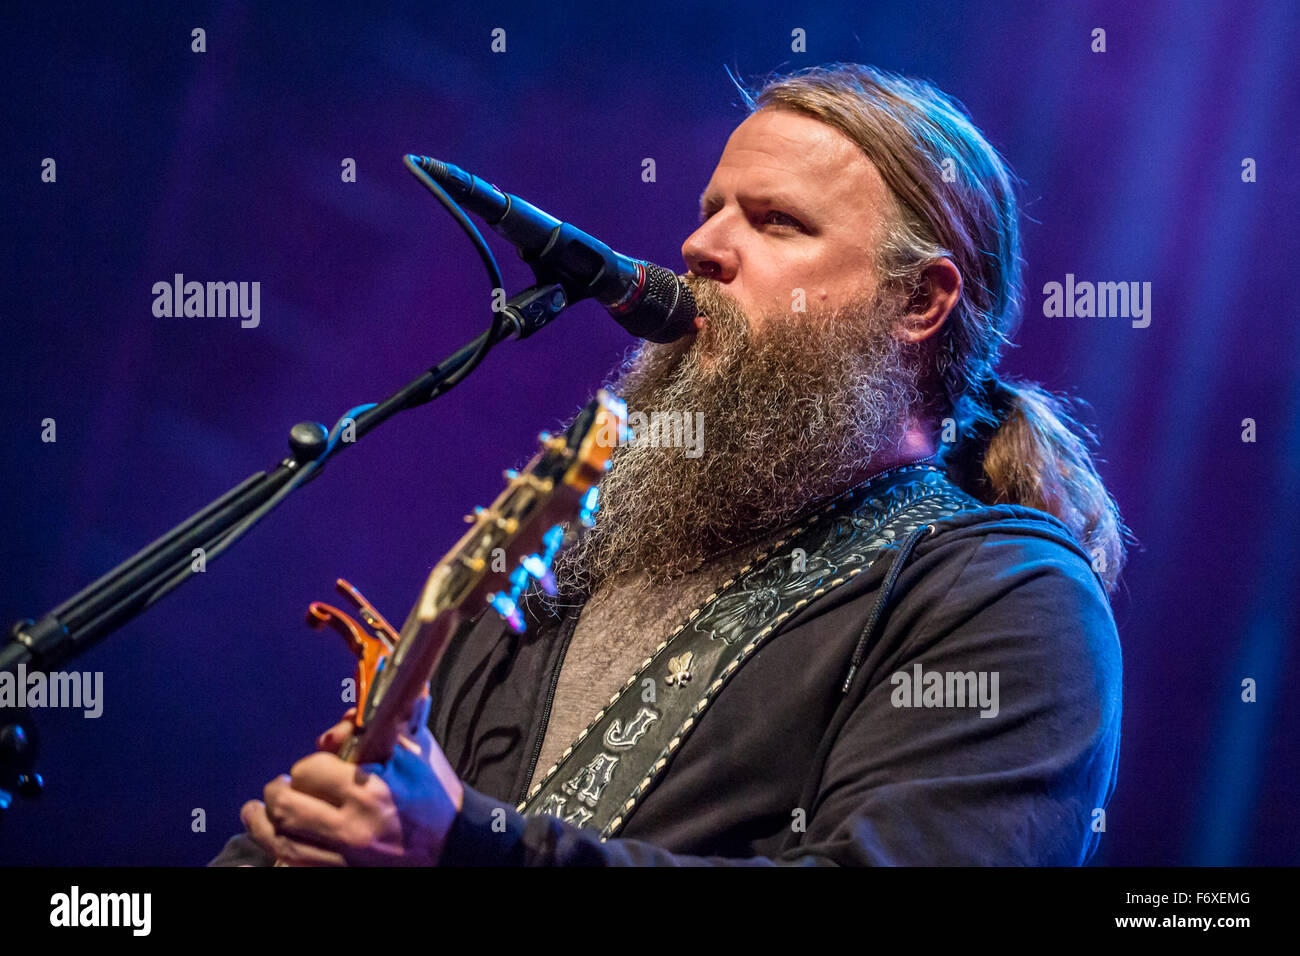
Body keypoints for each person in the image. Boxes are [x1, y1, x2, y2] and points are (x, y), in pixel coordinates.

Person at [210, 63, 1128, 867]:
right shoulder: (570, 547)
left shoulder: (1008, 601)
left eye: (776, 223)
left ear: (920, 302)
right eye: (710, 211)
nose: (700, 248)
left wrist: (470, 847)